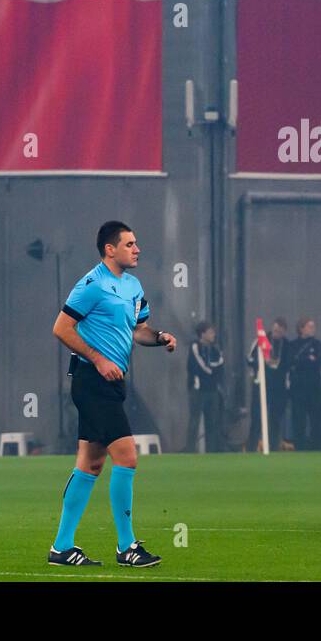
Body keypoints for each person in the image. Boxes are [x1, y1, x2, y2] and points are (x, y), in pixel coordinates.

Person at [47, 221, 177, 569]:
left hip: (112, 382)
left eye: (136, 243)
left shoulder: (132, 285)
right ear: (110, 249)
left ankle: (61, 547)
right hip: (92, 381)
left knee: (91, 463)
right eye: (130, 244)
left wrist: (161, 337)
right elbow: (61, 327)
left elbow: (139, 331)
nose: (137, 249)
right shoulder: (92, 284)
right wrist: (99, 358)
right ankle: (127, 547)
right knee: (128, 457)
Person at [246, 317, 290, 451]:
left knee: (275, 419)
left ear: (284, 332)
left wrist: (278, 365)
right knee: (257, 418)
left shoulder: (287, 345)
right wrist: (263, 363)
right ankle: (251, 448)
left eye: (280, 331)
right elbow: (249, 359)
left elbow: (290, 363)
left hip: (279, 386)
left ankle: (273, 447)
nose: (277, 333)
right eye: (275, 330)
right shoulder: (260, 341)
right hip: (261, 384)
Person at [185, 322, 225, 453]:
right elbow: (200, 366)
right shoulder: (195, 347)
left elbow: (220, 364)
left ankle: (211, 451)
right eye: (210, 332)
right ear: (202, 334)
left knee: (212, 422)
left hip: (212, 390)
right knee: (194, 421)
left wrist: (212, 370)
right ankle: (190, 450)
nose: (213, 335)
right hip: (198, 390)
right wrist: (212, 370)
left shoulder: (215, 349)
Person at [287, 318, 321, 450]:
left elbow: (318, 363)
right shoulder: (292, 345)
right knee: (298, 420)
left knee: (316, 419)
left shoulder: (317, 344)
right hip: (298, 388)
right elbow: (291, 362)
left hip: (314, 388)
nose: (312, 329)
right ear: (301, 329)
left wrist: (304, 362)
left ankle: (317, 447)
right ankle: (300, 447)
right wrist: (307, 360)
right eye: (309, 326)